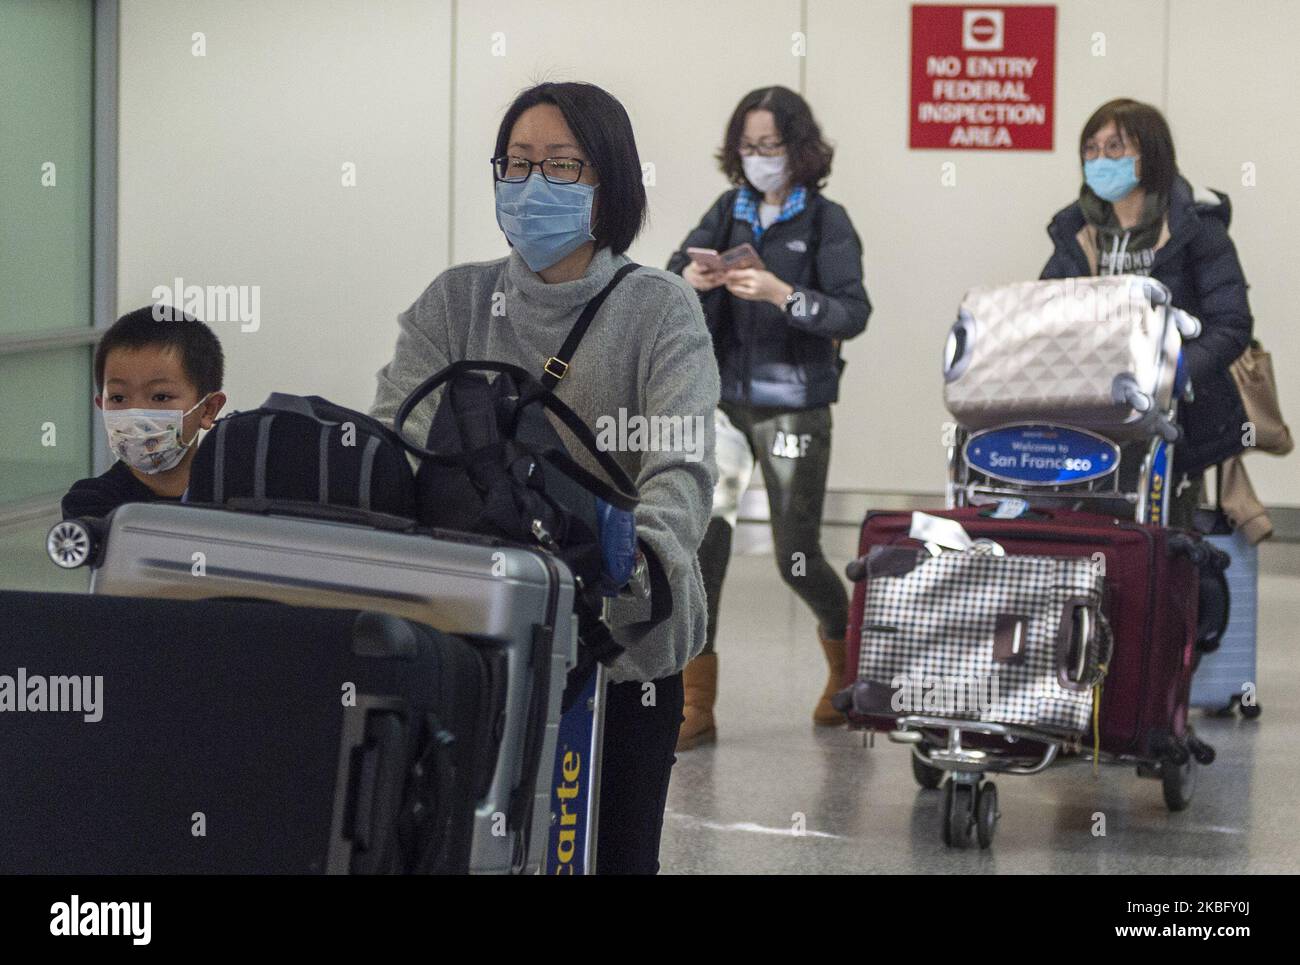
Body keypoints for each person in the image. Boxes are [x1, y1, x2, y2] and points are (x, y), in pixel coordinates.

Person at [369, 81, 719, 875]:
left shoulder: (659, 309)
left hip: (618, 645)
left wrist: (628, 568)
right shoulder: (454, 301)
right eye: (518, 164)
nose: (534, 186)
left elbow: (681, 468)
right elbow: (399, 440)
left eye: (562, 167)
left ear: (610, 185)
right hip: (466, 633)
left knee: (605, 856)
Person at [667, 85, 870, 749]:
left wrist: (785, 295)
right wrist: (690, 278)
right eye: (747, 147)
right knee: (706, 542)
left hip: (795, 407)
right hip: (723, 400)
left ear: (799, 151)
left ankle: (849, 666)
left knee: (798, 556)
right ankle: (696, 703)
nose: (757, 158)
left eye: (770, 146)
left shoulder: (827, 222)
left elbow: (852, 312)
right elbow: (674, 268)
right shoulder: (730, 210)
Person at [1040, 98, 1254, 525]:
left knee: (1164, 534)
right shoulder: (1076, 229)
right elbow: (1044, 315)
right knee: (1092, 532)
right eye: (1091, 150)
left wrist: (1170, 377)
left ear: (1149, 154)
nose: (1100, 160)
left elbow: (1231, 323)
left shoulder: (1195, 227)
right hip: (1092, 413)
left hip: (1179, 418)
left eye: (1115, 148)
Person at [62, 307, 226, 519]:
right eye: (118, 398)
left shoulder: (238, 498)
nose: (136, 413)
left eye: (160, 397)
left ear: (208, 409)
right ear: (101, 405)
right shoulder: (90, 503)